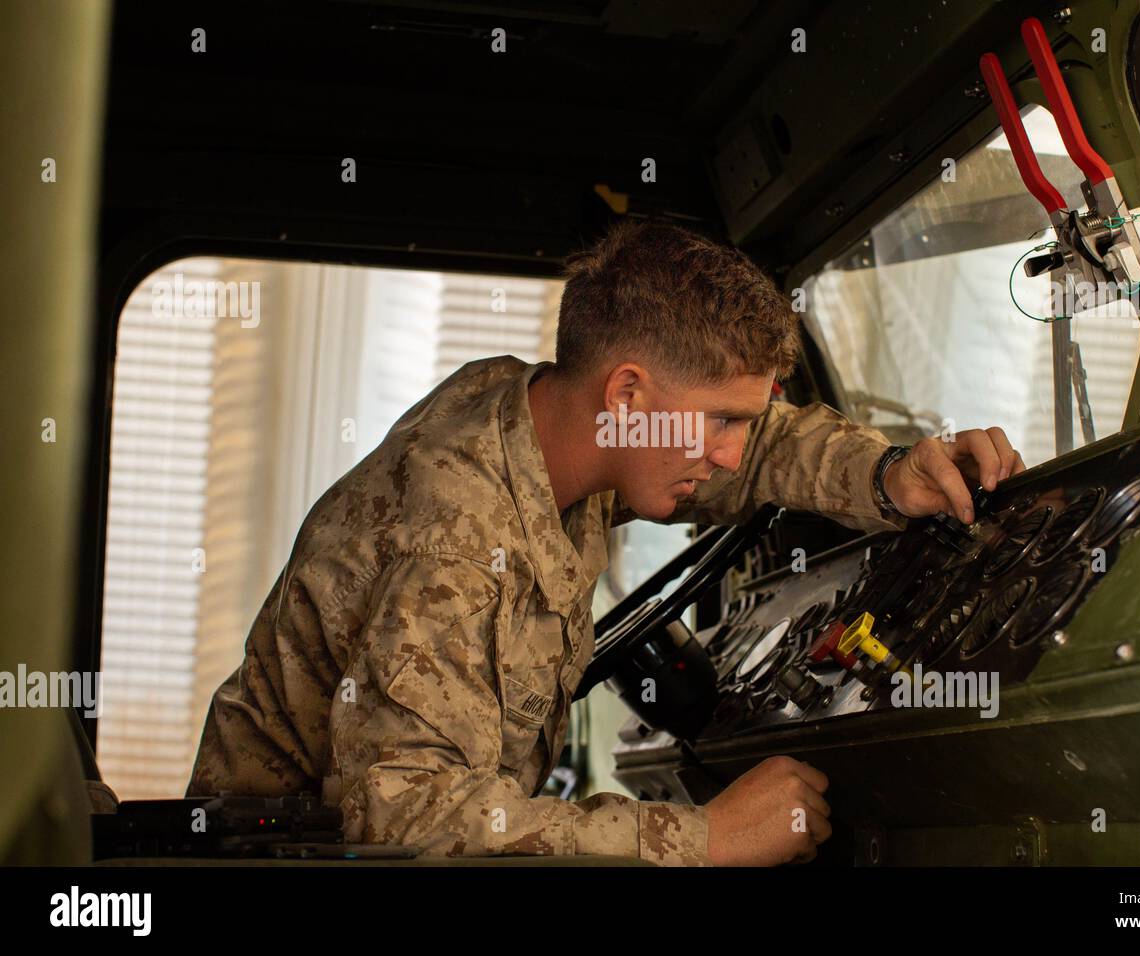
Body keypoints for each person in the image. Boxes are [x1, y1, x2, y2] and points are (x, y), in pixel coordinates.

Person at [187, 219, 1025, 866]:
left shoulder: (548, 418)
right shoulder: (459, 540)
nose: (731, 452)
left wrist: (888, 477)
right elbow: (405, 814)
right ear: (628, 392)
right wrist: (705, 838)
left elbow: (764, 449)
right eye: (719, 421)